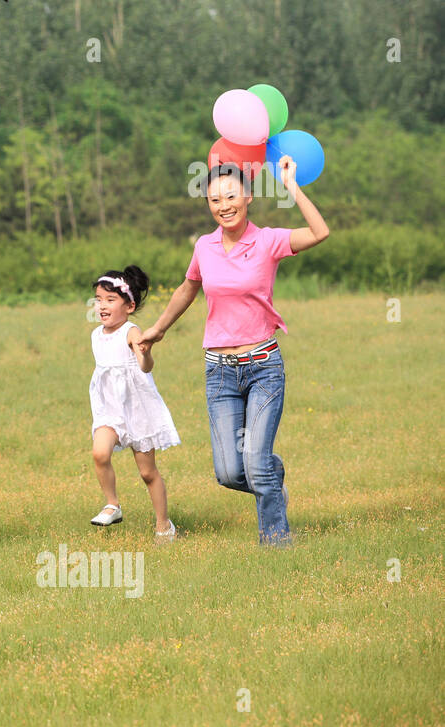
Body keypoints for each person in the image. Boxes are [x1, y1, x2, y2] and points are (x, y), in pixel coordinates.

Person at [140, 155, 330, 545]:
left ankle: (277, 543)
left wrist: (291, 186)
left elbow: (320, 231)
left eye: (230, 196)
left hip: (263, 366)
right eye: (214, 199)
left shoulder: (269, 240)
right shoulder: (204, 246)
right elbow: (187, 288)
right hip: (220, 371)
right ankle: (272, 486)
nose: (223, 205)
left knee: (256, 465)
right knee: (229, 472)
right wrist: (158, 329)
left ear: (248, 197)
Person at [88, 266, 181, 539]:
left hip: (137, 410)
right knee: (99, 454)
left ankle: (164, 525)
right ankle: (112, 504)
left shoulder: (131, 331)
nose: (102, 306)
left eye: (110, 300)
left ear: (129, 306)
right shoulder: (96, 335)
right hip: (109, 410)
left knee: (147, 473)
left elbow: (145, 366)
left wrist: (144, 354)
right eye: (98, 299)